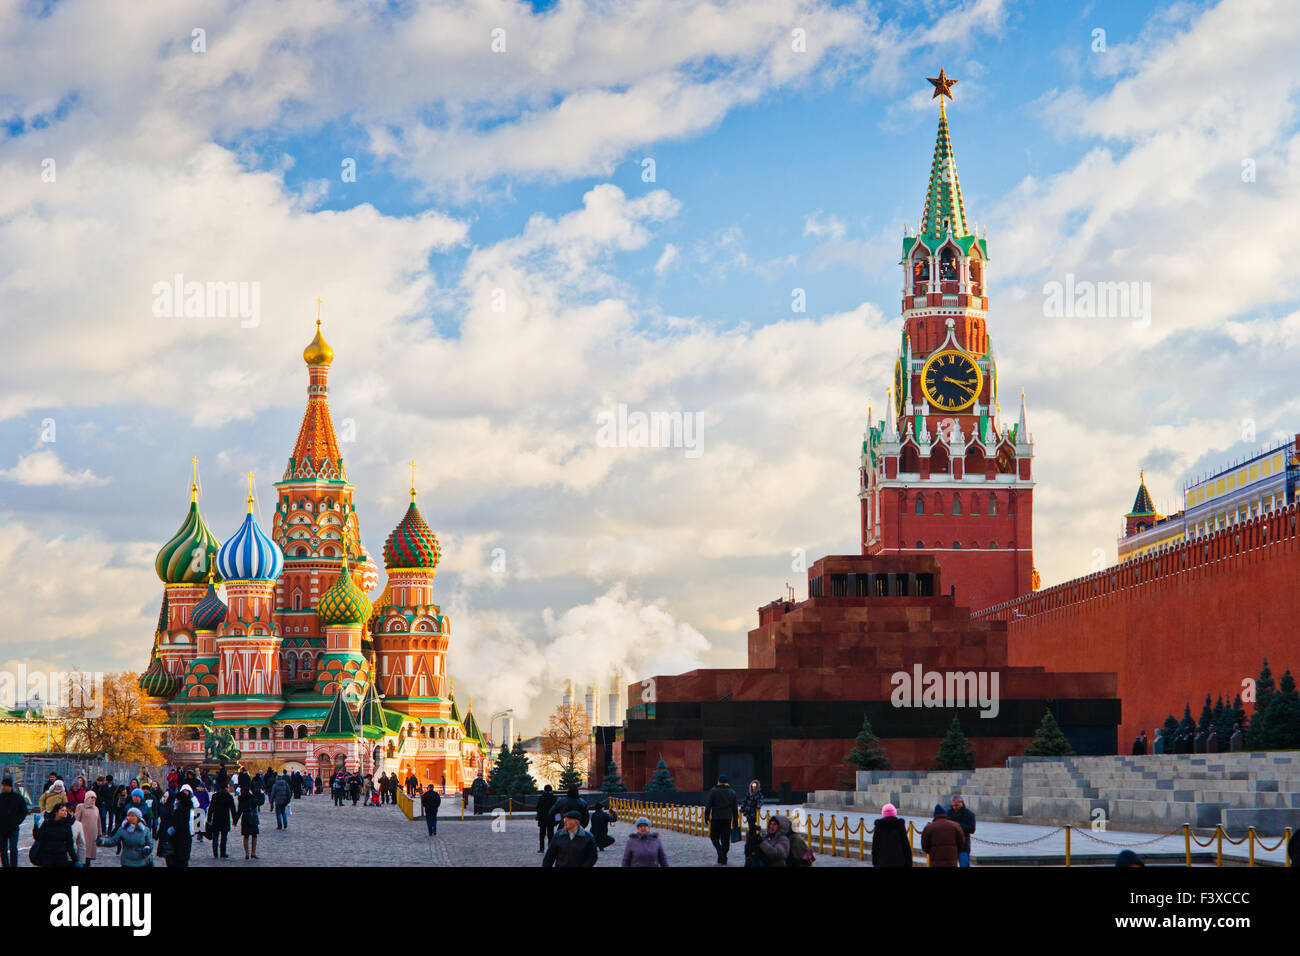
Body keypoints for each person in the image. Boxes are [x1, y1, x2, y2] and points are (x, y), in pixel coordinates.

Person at [703, 774, 739, 865]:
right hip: (727, 819)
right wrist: (735, 821)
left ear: (718, 782)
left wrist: (706, 816)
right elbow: (735, 809)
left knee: (714, 837)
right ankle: (723, 857)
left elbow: (709, 805)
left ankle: (720, 853)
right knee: (725, 839)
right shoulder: (732, 792)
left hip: (716, 818)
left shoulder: (713, 791)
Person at [32, 803, 77, 867]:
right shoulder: (47, 823)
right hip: (47, 856)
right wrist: (36, 827)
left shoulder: (67, 826)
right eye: (62, 810)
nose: (65, 812)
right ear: (56, 812)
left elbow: (70, 845)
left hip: (61, 857)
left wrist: (75, 860)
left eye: (66, 811)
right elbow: (38, 837)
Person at [159, 787, 194, 868]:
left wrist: (170, 831)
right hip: (185, 839)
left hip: (178, 840)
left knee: (177, 861)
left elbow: (177, 825)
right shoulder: (186, 809)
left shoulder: (179, 810)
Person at [1, 777, 28, 868]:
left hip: (13, 828)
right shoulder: (1, 797)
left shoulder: (17, 798)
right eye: (2, 785)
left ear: (10, 786)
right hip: (2, 828)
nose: (3, 787)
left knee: (13, 848)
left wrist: (17, 821)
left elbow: (24, 811)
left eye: (5, 786)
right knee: (3, 850)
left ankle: (14, 865)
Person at [207, 782, 236, 859]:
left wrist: (209, 818)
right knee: (224, 836)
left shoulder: (215, 796)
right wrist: (234, 820)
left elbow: (211, 808)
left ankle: (215, 852)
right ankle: (223, 852)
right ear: (226, 787)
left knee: (215, 836)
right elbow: (233, 809)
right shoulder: (229, 796)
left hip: (216, 818)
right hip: (225, 818)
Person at [948, 794, 976, 867]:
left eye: (956, 805)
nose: (955, 807)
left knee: (964, 864)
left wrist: (958, 826)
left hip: (963, 844)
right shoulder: (949, 813)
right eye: (953, 805)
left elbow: (972, 829)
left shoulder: (969, 814)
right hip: (951, 844)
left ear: (962, 803)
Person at [238, 785, 265, 859]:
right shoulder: (252, 798)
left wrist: (235, 820)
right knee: (254, 835)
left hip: (245, 818)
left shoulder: (242, 799)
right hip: (253, 818)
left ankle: (247, 853)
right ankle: (253, 852)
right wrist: (262, 794)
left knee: (246, 836)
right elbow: (261, 802)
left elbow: (239, 810)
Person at [74, 790, 100, 866]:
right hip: (83, 832)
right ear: (87, 797)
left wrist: (99, 833)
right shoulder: (81, 807)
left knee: (89, 853)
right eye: (92, 797)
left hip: (92, 835)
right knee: (82, 851)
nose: (93, 799)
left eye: (95, 798)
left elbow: (98, 822)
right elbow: (77, 819)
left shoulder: (96, 809)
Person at [535, 785, 557, 853]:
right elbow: (556, 808)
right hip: (550, 818)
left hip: (542, 818)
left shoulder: (542, 797)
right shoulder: (553, 798)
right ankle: (550, 848)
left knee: (542, 834)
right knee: (550, 834)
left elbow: (538, 808)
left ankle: (541, 848)